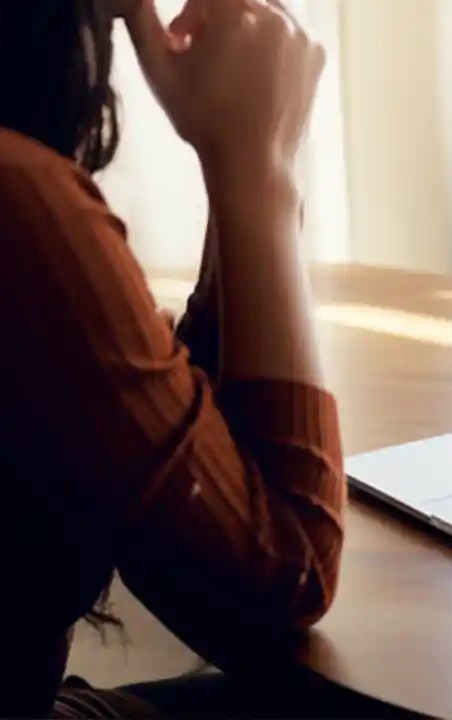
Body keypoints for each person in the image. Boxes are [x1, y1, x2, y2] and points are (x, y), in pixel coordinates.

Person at [0, 0, 350, 716]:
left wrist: (242, 154)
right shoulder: (18, 199)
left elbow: (155, 442)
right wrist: (259, 168)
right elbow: (283, 579)